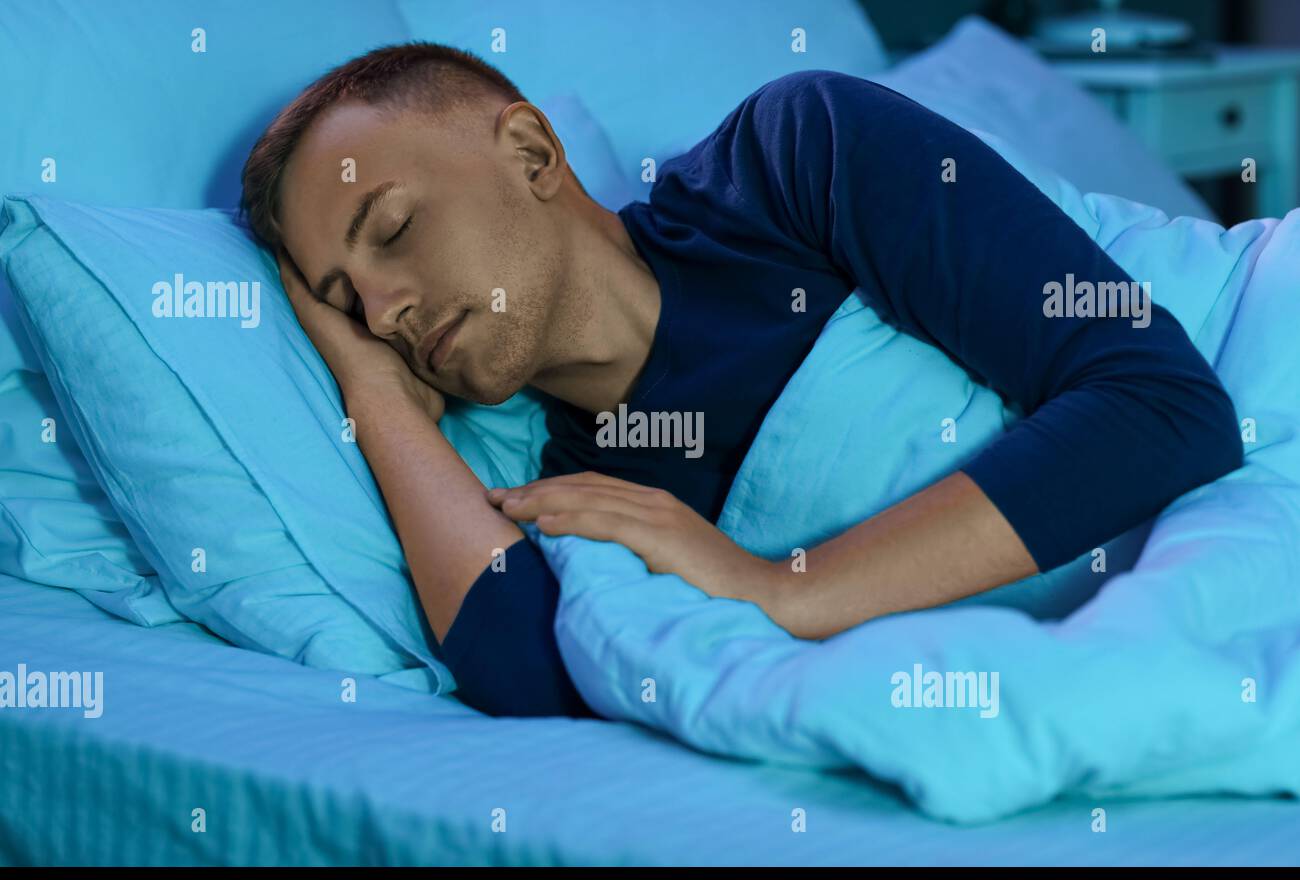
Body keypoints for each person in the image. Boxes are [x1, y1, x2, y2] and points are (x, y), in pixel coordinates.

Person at [240, 43, 1243, 719]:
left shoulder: (793, 159)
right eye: (345, 302)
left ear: (532, 151)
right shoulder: (595, 484)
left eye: (394, 230)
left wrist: (780, 589)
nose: (384, 311)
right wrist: (373, 395)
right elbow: (539, 681)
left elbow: (1161, 403)